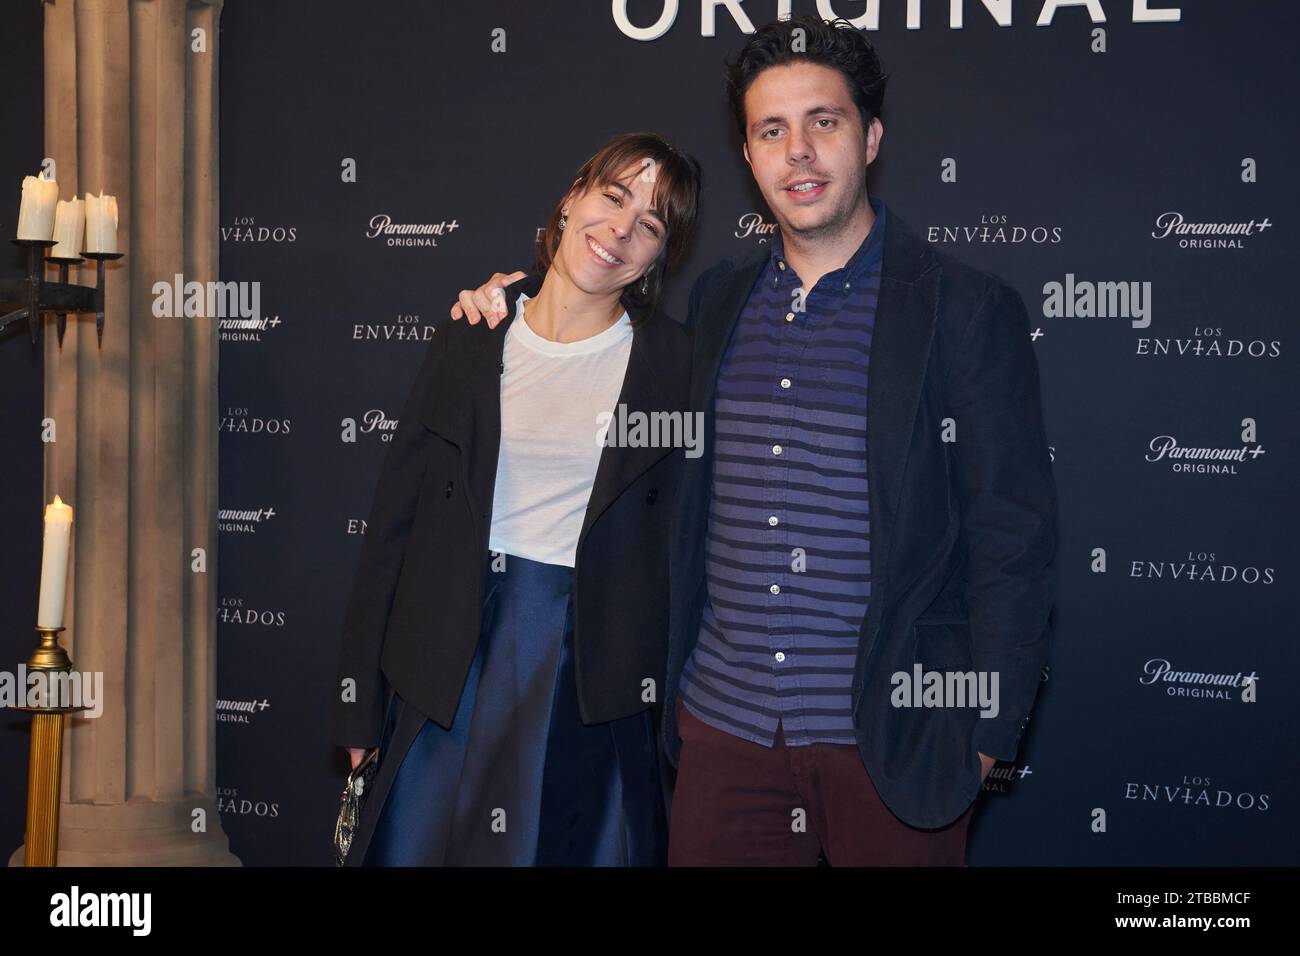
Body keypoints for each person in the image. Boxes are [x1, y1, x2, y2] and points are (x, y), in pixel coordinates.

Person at [448, 17, 1058, 867]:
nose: (799, 151)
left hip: (894, 743)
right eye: (773, 130)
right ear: (748, 153)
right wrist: (498, 313)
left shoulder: (964, 308)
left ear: (871, 138)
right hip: (723, 743)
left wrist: (987, 736)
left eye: (824, 122)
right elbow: (583, 349)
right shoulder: (717, 305)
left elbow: (1013, 540)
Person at [331, 131, 702, 866]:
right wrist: (357, 699)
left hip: (584, 676)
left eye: (651, 224)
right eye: (613, 196)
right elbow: (394, 523)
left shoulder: (678, 365)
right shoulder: (474, 331)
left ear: (659, 256)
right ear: (572, 199)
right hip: (446, 660)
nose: (621, 229)